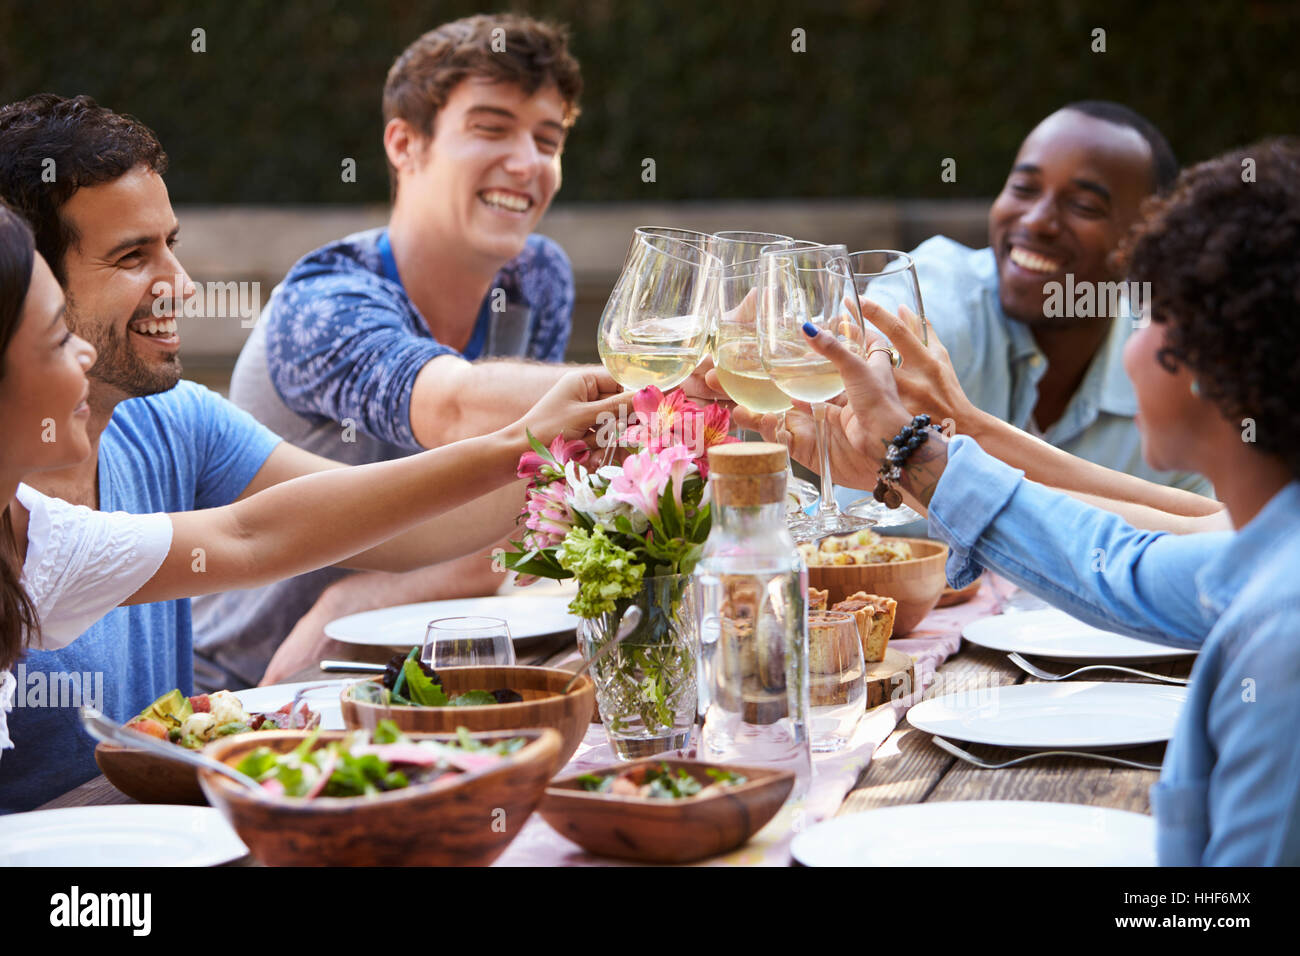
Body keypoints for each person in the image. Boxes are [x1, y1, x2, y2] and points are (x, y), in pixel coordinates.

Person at [0, 93, 581, 810]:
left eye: (170, 246)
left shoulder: (167, 429)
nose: (180, 287)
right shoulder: (35, 526)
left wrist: (586, 452)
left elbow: (370, 530)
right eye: (131, 256)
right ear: (27, 285)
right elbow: (260, 537)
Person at [750, 139, 1300, 865]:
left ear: (1212, 359)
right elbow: (1119, 564)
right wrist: (925, 454)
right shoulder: (1271, 556)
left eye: (1147, 313)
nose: (1126, 346)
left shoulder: (1283, 645)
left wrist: (920, 453)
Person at [196, 14, 719, 690]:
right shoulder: (323, 302)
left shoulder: (536, 279)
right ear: (404, 144)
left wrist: (366, 596)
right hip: (251, 687)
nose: (528, 162)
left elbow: (527, 498)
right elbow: (453, 409)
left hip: (434, 655)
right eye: (492, 128)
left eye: (547, 138)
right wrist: (674, 381)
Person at [834, 101, 1216, 516]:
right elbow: (868, 333)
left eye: (1085, 206)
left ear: (1148, 245)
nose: (1035, 221)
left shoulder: (1174, 383)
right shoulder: (942, 295)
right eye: (1024, 189)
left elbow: (1207, 553)